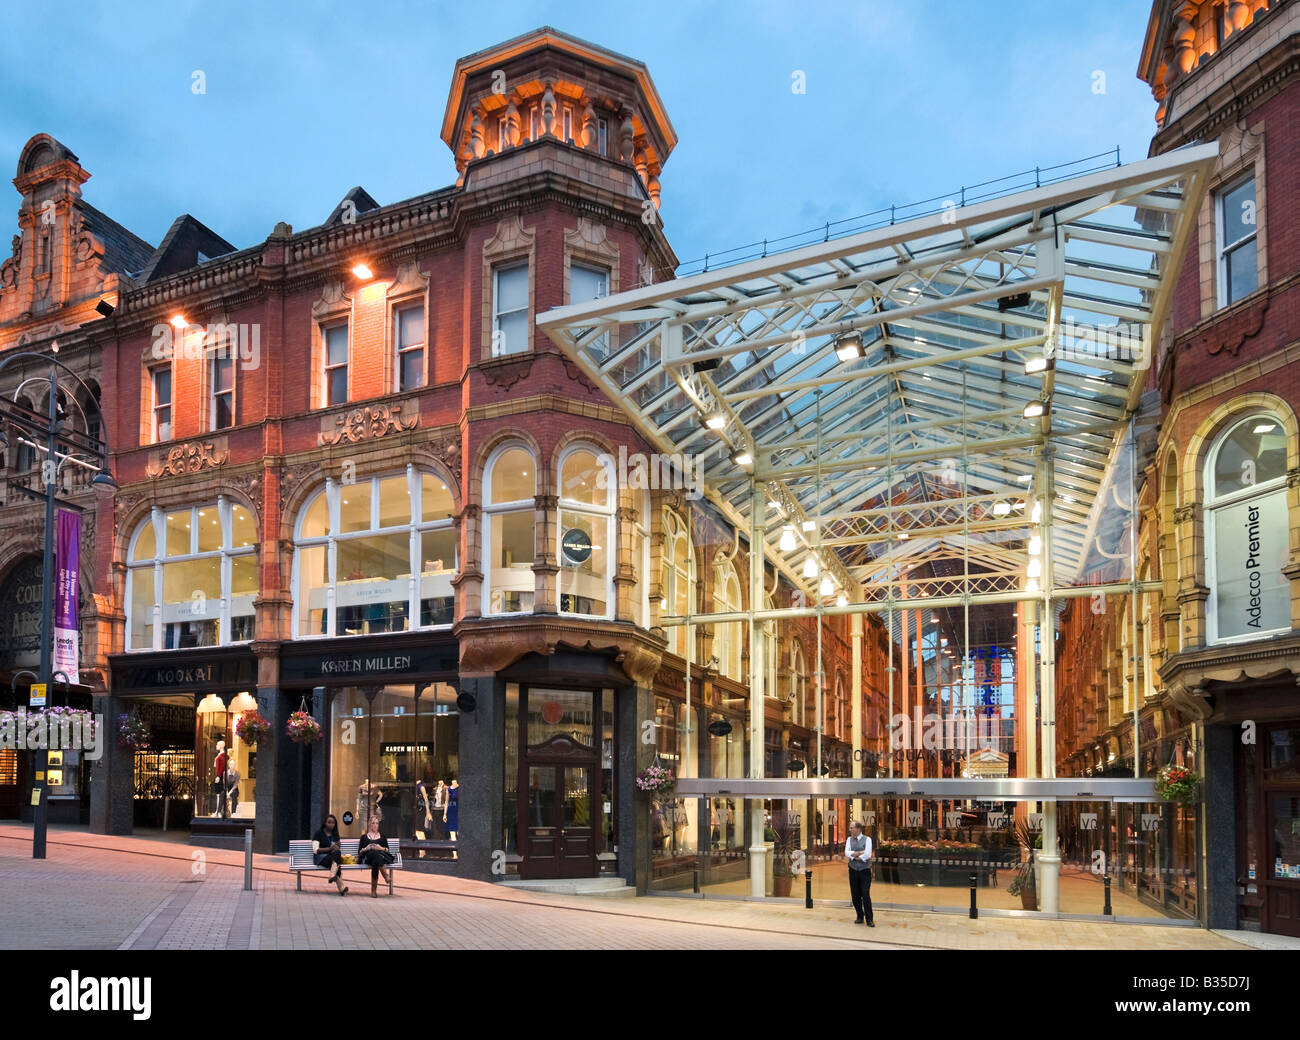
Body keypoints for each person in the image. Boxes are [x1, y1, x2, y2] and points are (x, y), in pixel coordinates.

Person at [845, 819, 874, 926]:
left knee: (865, 894)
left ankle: (869, 919)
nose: (850, 830)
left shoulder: (868, 840)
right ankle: (859, 916)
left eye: (851, 828)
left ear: (858, 829)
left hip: (864, 871)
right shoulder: (849, 839)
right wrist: (859, 854)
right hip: (853, 871)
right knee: (855, 895)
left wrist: (855, 855)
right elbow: (847, 853)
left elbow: (867, 855)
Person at [312, 814, 349, 896]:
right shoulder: (318, 833)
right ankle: (341, 887)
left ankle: (332, 875)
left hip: (332, 857)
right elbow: (315, 850)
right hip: (321, 857)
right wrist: (329, 849)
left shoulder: (335, 834)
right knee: (337, 862)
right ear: (325, 823)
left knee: (337, 855)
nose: (331, 824)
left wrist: (337, 846)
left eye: (333, 823)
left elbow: (336, 848)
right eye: (329, 822)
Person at [359, 815, 394, 897]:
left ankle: (373, 891)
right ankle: (385, 875)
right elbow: (359, 852)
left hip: (379, 858)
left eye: (377, 823)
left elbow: (387, 850)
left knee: (376, 860)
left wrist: (380, 848)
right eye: (373, 823)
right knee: (374, 853)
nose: (375, 825)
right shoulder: (364, 837)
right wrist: (366, 848)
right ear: (369, 824)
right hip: (367, 858)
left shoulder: (382, 837)